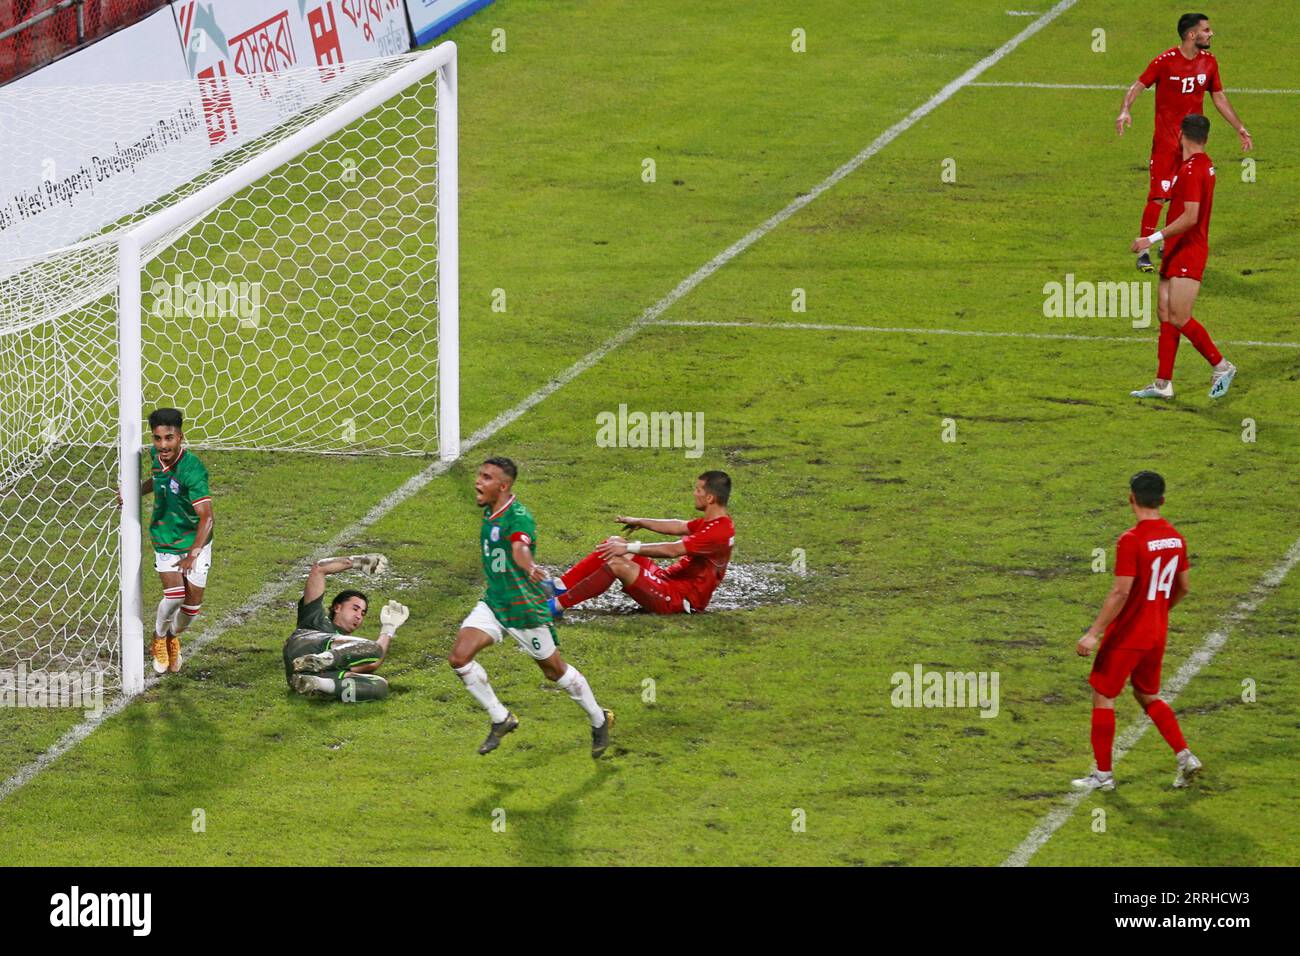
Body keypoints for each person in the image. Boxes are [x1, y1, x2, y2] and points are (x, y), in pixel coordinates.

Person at [447, 457, 613, 757]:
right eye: (479, 475)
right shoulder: (491, 510)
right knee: (459, 657)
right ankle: (500, 718)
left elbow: (519, 547)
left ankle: (599, 719)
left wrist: (529, 565)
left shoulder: (518, 517)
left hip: (524, 610)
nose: (477, 481)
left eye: (486, 477)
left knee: (554, 672)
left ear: (503, 485)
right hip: (495, 604)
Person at [1073, 471, 1203, 791]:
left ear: (1131, 497)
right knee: (1147, 694)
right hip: (1157, 632)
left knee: (1103, 694)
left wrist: (1093, 633)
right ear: (1162, 500)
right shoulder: (1176, 538)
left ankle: (1102, 776)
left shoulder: (1131, 540)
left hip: (1129, 634)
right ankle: (1185, 757)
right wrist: (1158, 610)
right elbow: (1184, 587)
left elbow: (1120, 592)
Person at [1115, 12, 1251, 273]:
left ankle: (1168, 244)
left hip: (1193, 147)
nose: (1211, 34)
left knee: (1184, 198)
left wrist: (1239, 127)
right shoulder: (1165, 62)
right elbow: (1138, 85)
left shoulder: (1209, 63)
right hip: (1167, 144)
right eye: (1206, 30)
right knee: (1158, 197)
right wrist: (1125, 109)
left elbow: (1219, 97)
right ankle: (1144, 251)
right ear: (1192, 35)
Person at [1129, 114, 1235, 400]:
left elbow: (1191, 217)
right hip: (1177, 248)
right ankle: (1163, 383)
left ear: (1180, 135)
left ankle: (1221, 365)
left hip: (1189, 249)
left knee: (1179, 316)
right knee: (1165, 313)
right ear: (1206, 138)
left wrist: (1150, 239)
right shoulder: (1199, 165)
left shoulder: (1191, 170)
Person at [546, 471, 734, 617]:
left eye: (698, 490)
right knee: (613, 543)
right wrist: (640, 521)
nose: (694, 493)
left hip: (679, 599)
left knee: (618, 564)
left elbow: (673, 550)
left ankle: (555, 606)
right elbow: (678, 525)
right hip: (668, 581)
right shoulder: (714, 523)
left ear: (710, 498)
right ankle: (561, 586)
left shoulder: (718, 532)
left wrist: (628, 548)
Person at [118, 408, 214, 675]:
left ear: (180, 437)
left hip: (196, 542)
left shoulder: (192, 470)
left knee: (191, 609)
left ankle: (173, 636)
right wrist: (133, 490)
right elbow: (157, 481)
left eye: (169, 438)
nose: (162, 445)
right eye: (157, 438)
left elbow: (207, 518)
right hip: (164, 538)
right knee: (174, 596)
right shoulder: (154, 456)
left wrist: (193, 554)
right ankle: (159, 637)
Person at [285, 553, 406, 701]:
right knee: (372, 648)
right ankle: (321, 659)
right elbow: (319, 568)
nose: (359, 616)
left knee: (380, 686)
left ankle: (316, 684)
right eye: (355, 609)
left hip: (303, 676)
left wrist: (389, 627)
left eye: (363, 613)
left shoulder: (350, 650)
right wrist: (359, 561)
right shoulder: (314, 617)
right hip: (304, 645)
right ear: (337, 607)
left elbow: (372, 663)